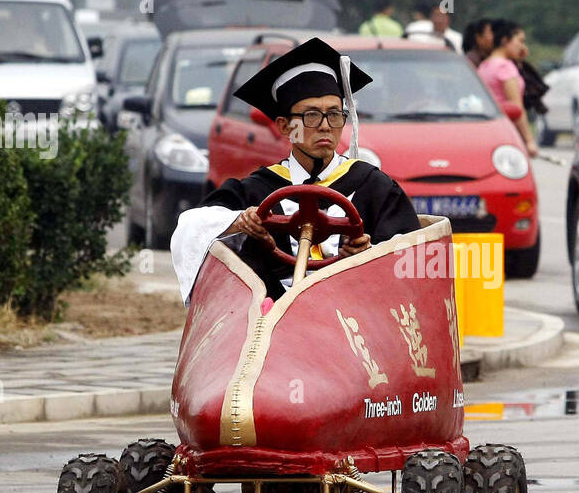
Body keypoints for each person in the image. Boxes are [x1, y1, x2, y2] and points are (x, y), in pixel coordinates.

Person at [170, 38, 420, 303]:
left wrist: (368, 256)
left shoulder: (374, 187)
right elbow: (191, 226)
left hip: (356, 325)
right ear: (284, 126)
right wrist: (239, 221)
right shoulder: (258, 189)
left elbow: (412, 261)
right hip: (272, 327)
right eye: (311, 115)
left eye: (334, 114)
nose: (325, 126)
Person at [477, 19, 539, 156]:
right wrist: (529, 140)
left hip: (488, 132)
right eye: (520, 41)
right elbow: (517, 107)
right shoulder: (505, 68)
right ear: (505, 40)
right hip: (507, 133)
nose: (523, 47)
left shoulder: (484, 66)